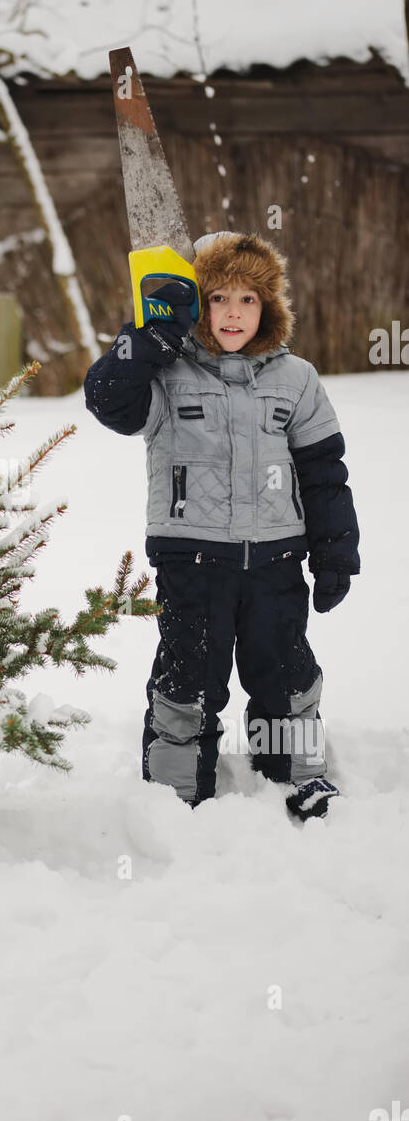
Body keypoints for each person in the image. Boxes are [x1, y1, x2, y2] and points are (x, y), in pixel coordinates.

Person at [83, 231, 360, 820]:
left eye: (249, 299)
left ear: (269, 308)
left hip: (277, 564)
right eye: (219, 298)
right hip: (193, 562)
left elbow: (323, 472)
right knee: (189, 678)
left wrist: (335, 553)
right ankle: (176, 796)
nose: (234, 312)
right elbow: (109, 402)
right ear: (196, 303)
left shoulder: (297, 379)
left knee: (287, 674)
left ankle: (295, 776)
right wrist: (141, 346)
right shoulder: (165, 371)